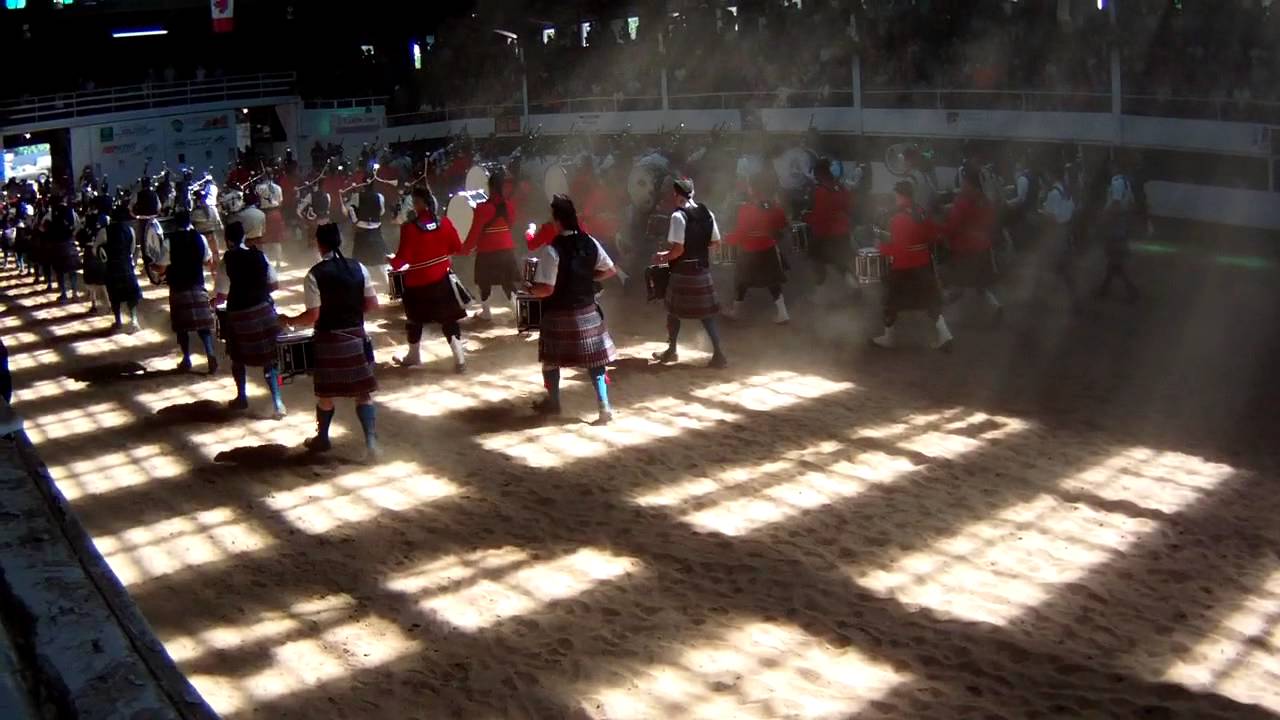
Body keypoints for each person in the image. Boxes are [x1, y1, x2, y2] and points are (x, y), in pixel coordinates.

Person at [279, 223, 381, 460]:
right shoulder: (359, 267)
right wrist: (351, 312)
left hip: (329, 341)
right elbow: (372, 304)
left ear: (319, 244)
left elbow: (312, 316)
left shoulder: (314, 274)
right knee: (363, 394)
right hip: (356, 338)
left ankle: (323, 439)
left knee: (326, 395)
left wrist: (289, 321)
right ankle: (371, 443)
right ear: (340, 241)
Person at [524, 195, 619, 425]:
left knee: (550, 361)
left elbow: (547, 289)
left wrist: (529, 289)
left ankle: (554, 403)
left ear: (557, 220)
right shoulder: (590, 241)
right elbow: (610, 270)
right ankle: (604, 407)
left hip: (559, 315)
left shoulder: (552, 250)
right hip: (588, 313)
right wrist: (586, 277)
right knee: (596, 363)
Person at [388, 187, 468, 372]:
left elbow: (401, 262)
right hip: (442, 282)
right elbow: (456, 247)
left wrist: (390, 260)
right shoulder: (445, 222)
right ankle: (459, 358)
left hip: (418, 285)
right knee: (449, 320)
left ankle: (414, 356)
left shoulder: (409, 228)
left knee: (414, 320)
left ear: (418, 204)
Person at [652, 177, 728, 368]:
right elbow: (716, 242)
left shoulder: (678, 216)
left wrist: (663, 257)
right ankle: (719, 355)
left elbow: (678, 250)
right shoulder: (707, 213)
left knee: (672, 312)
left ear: (675, 195)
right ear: (693, 193)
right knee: (707, 315)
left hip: (682, 272)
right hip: (702, 270)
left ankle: (672, 351)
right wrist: (699, 248)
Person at [211, 221, 286, 416]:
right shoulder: (260, 255)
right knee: (271, 360)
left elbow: (222, 296)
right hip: (264, 311)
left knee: (237, 358)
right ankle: (278, 403)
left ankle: (242, 398)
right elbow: (274, 285)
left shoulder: (227, 260)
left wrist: (212, 303)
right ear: (244, 237)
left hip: (239, 315)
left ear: (227, 240)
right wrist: (258, 292)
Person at [870, 182, 953, 351]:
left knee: (889, 301)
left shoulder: (897, 217)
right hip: (923, 264)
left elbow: (897, 246)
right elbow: (932, 235)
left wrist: (880, 250)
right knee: (931, 302)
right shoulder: (921, 212)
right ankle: (945, 335)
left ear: (899, 195)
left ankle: (889, 338)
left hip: (903, 267)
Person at [155, 210, 218, 373]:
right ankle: (210, 353)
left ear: (175, 223)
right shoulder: (200, 238)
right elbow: (208, 261)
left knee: (182, 328)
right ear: (190, 222)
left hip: (179, 288)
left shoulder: (169, 241)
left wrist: (152, 266)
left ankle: (187, 359)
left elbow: (161, 268)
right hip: (198, 285)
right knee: (203, 327)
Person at [724, 172, 790, 324]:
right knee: (773, 282)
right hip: (769, 247)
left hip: (750, 250)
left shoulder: (746, 209)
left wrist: (727, 239)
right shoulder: (774, 206)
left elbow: (741, 233)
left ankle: (736, 312)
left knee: (740, 281)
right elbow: (783, 224)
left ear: (752, 189)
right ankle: (783, 313)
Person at [942, 167, 1002, 324]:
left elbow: (953, 225)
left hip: (965, 251)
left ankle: (945, 316)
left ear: (971, 184)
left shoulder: (963, 202)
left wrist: (944, 236)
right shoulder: (985, 201)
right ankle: (995, 307)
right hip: (983, 249)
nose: (962, 185)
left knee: (957, 285)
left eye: (964, 183)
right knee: (979, 286)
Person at [461, 170, 520, 321]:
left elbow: (474, 232)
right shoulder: (510, 206)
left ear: (491, 187)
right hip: (506, 250)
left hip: (487, 252)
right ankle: (518, 312)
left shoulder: (483, 208)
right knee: (508, 282)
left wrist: (464, 249)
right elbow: (510, 225)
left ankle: (486, 313)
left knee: (483, 282)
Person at [803, 158, 857, 290]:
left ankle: (819, 287)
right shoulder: (840, 187)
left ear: (819, 174)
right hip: (843, 232)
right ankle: (855, 287)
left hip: (828, 234)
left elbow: (820, 216)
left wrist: (806, 217)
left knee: (814, 256)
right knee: (840, 263)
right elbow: (848, 207)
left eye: (816, 175)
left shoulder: (821, 191)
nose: (815, 178)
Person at [92, 205, 143, 333]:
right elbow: (132, 249)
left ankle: (118, 322)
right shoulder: (130, 230)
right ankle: (134, 320)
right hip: (126, 265)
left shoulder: (104, 231)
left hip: (112, 267)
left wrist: (102, 255)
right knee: (131, 294)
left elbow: (95, 249)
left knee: (114, 296)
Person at [1096, 160, 1139, 303]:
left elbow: (1115, 203)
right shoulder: (1127, 182)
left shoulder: (1117, 182)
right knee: (1114, 258)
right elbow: (1131, 204)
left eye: (1111, 167)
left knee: (1114, 257)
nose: (1109, 169)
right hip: (1121, 224)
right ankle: (1105, 287)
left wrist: (1104, 218)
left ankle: (1129, 289)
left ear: (1115, 167)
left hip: (1115, 224)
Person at [1040, 165, 1079, 309]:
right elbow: (1072, 210)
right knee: (1061, 269)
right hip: (1065, 231)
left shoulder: (1054, 193)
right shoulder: (1066, 190)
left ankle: (1067, 300)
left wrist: (1043, 214)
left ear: (1051, 174)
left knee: (1056, 268)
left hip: (1056, 234)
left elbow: (1053, 218)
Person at [346, 182, 389, 295]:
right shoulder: (380, 196)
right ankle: (388, 287)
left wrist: (356, 221)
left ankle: (359, 290)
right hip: (375, 231)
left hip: (362, 232)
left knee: (359, 263)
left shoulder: (357, 196)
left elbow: (350, 209)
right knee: (381, 262)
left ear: (363, 185)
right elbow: (382, 211)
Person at [46, 199, 82, 303]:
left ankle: (64, 294)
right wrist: (72, 235)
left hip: (57, 245)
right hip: (70, 243)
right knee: (72, 270)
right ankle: (75, 293)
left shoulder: (51, 212)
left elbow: (43, 227)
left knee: (59, 271)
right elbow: (78, 226)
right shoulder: (72, 212)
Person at [254, 172, 286, 268]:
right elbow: (281, 202)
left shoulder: (258, 187)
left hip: (264, 214)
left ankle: (265, 262)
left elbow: (256, 202)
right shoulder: (278, 187)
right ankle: (278, 262)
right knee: (276, 240)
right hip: (276, 213)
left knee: (264, 240)